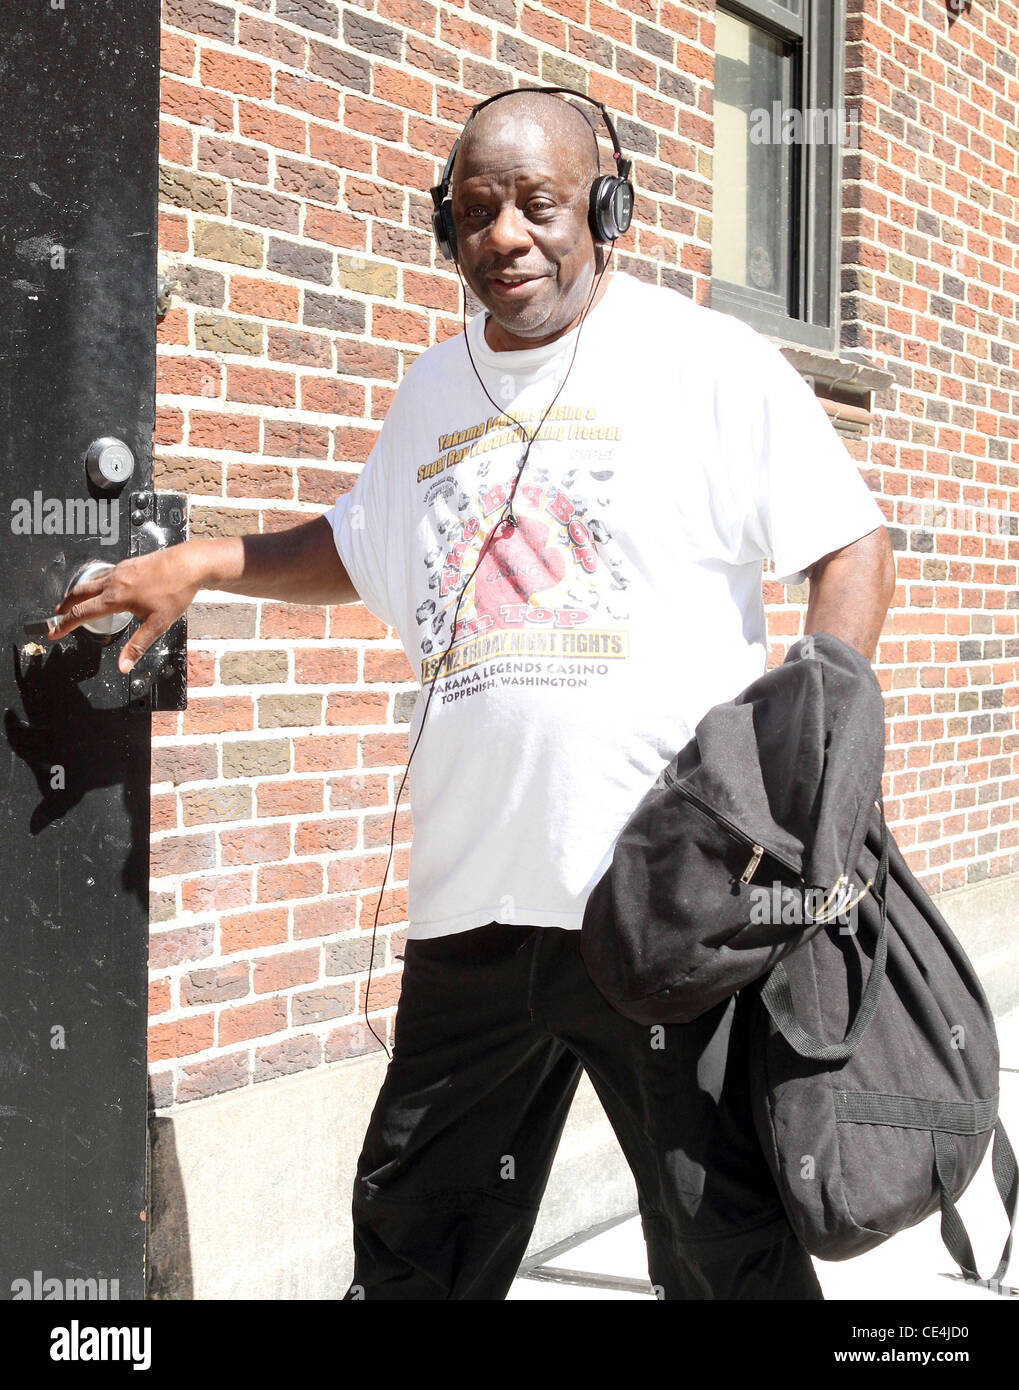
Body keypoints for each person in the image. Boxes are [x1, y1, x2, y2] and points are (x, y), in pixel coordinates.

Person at [49, 88, 897, 1300]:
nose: (505, 236)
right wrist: (207, 562)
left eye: (538, 205)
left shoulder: (703, 359)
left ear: (604, 211)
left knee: (720, 1248)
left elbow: (849, 542)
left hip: (660, 905)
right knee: (415, 1241)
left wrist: (807, 743)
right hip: (474, 919)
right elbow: (358, 544)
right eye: (476, 210)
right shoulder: (431, 392)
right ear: (443, 226)